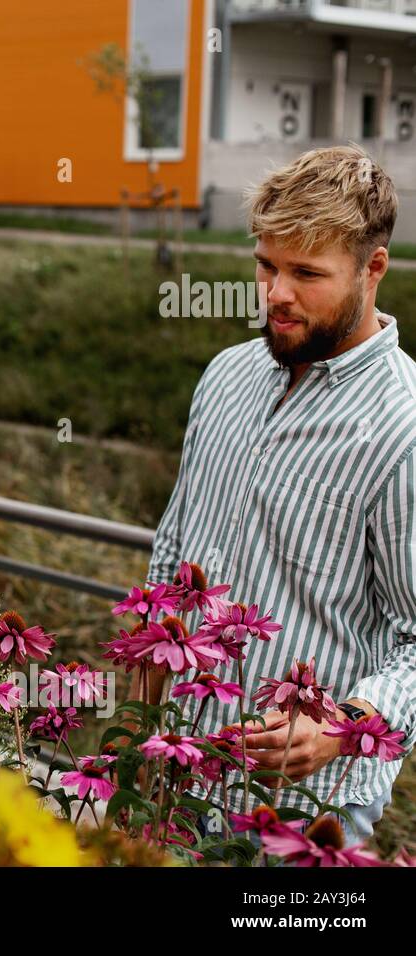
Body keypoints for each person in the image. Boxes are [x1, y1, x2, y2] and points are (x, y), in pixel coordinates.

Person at [147, 144, 415, 845]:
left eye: (306, 273)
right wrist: (150, 687)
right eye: (266, 264)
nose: (276, 294)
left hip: (307, 809)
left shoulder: (404, 428)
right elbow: (176, 541)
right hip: (180, 768)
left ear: (373, 269)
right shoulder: (226, 374)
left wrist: (342, 725)